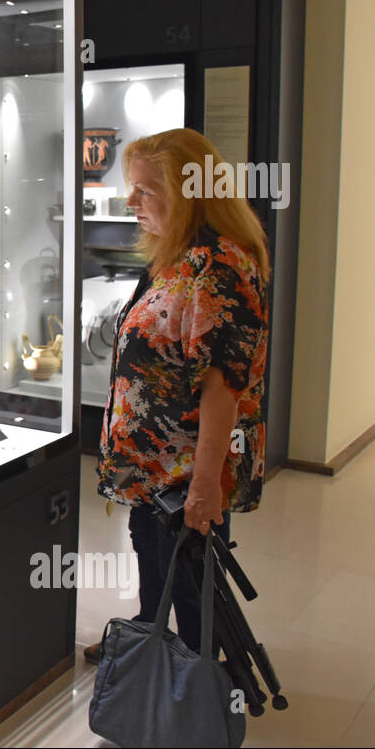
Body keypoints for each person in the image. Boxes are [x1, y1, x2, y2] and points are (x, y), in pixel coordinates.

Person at [86, 128, 270, 664]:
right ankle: (149, 644)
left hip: (187, 470)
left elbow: (223, 388)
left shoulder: (222, 267)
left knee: (191, 582)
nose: (130, 201)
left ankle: (195, 689)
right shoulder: (178, 254)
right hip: (152, 468)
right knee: (153, 557)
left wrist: (205, 487)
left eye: (145, 190)